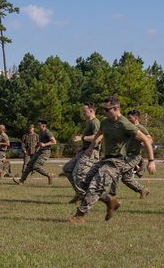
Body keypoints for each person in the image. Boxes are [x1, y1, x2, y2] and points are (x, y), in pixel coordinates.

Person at [69, 96, 156, 224]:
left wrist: (151, 161)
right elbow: (99, 133)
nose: (103, 112)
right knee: (84, 184)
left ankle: (79, 216)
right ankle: (111, 201)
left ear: (115, 109)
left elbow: (146, 140)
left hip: (117, 161)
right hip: (105, 159)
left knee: (95, 187)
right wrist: (90, 147)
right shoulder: (105, 121)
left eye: (106, 109)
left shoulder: (125, 124)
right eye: (103, 109)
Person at [64, 103, 102, 203]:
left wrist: (82, 138)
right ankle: (79, 194)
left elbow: (97, 137)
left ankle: (87, 197)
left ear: (91, 111)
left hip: (92, 152)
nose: (83, 113)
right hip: (86, 150)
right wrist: (82, 146)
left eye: (84, 111)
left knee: (78, 174)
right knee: (67, 169)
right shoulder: (89, 123)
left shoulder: (95, 122)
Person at [110, 110, 150, 199]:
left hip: (134, 156)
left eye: (130, 117)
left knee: (117, 170)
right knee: (126, 178)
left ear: (136, 118)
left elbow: (149, 140)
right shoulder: (127, 128)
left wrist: (143, 142)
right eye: (127, 117)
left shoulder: (140, 128)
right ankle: (142, 190)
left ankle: (112, 194)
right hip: (125, 155)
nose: (128, 119)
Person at [14, 119, 55, 185]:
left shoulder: (47, 132)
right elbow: (41, 142)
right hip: (40, 151)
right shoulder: (40, 132)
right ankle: (21, 181)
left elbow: (54, 142)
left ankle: (49, 175)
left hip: (46, 152)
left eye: (39, 125)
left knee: (36, 166)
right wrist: (37, 145)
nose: (38, 126)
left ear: (44, 126)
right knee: (29, 164)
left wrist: (44, 144)